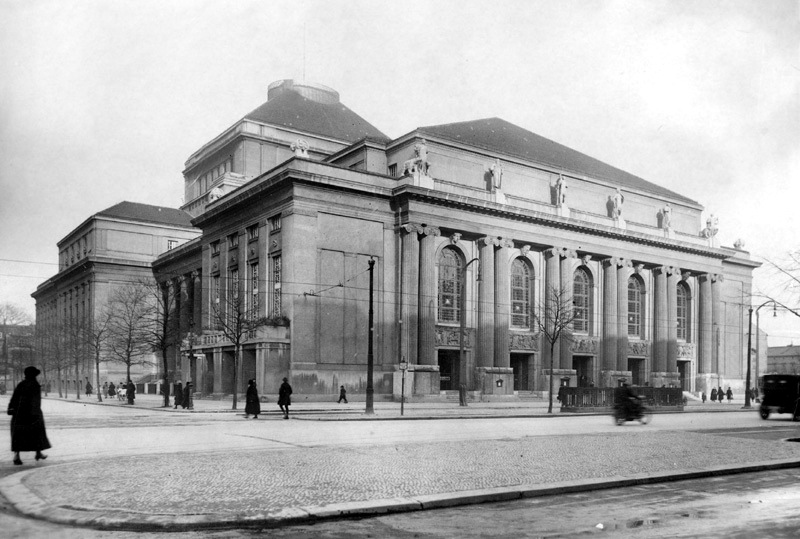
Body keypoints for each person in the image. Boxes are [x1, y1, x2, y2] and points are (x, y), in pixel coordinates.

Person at [7, 366, 51, 465]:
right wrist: (35, 414)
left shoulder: (21, 384)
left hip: (19, 414)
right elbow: (36, 401)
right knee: (37, 433)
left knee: (18, 436)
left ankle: (16, 456)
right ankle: (38, 453)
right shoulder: (35, 385)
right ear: (33, 375)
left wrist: (11, 408)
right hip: (32, 414)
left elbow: (14, 397)